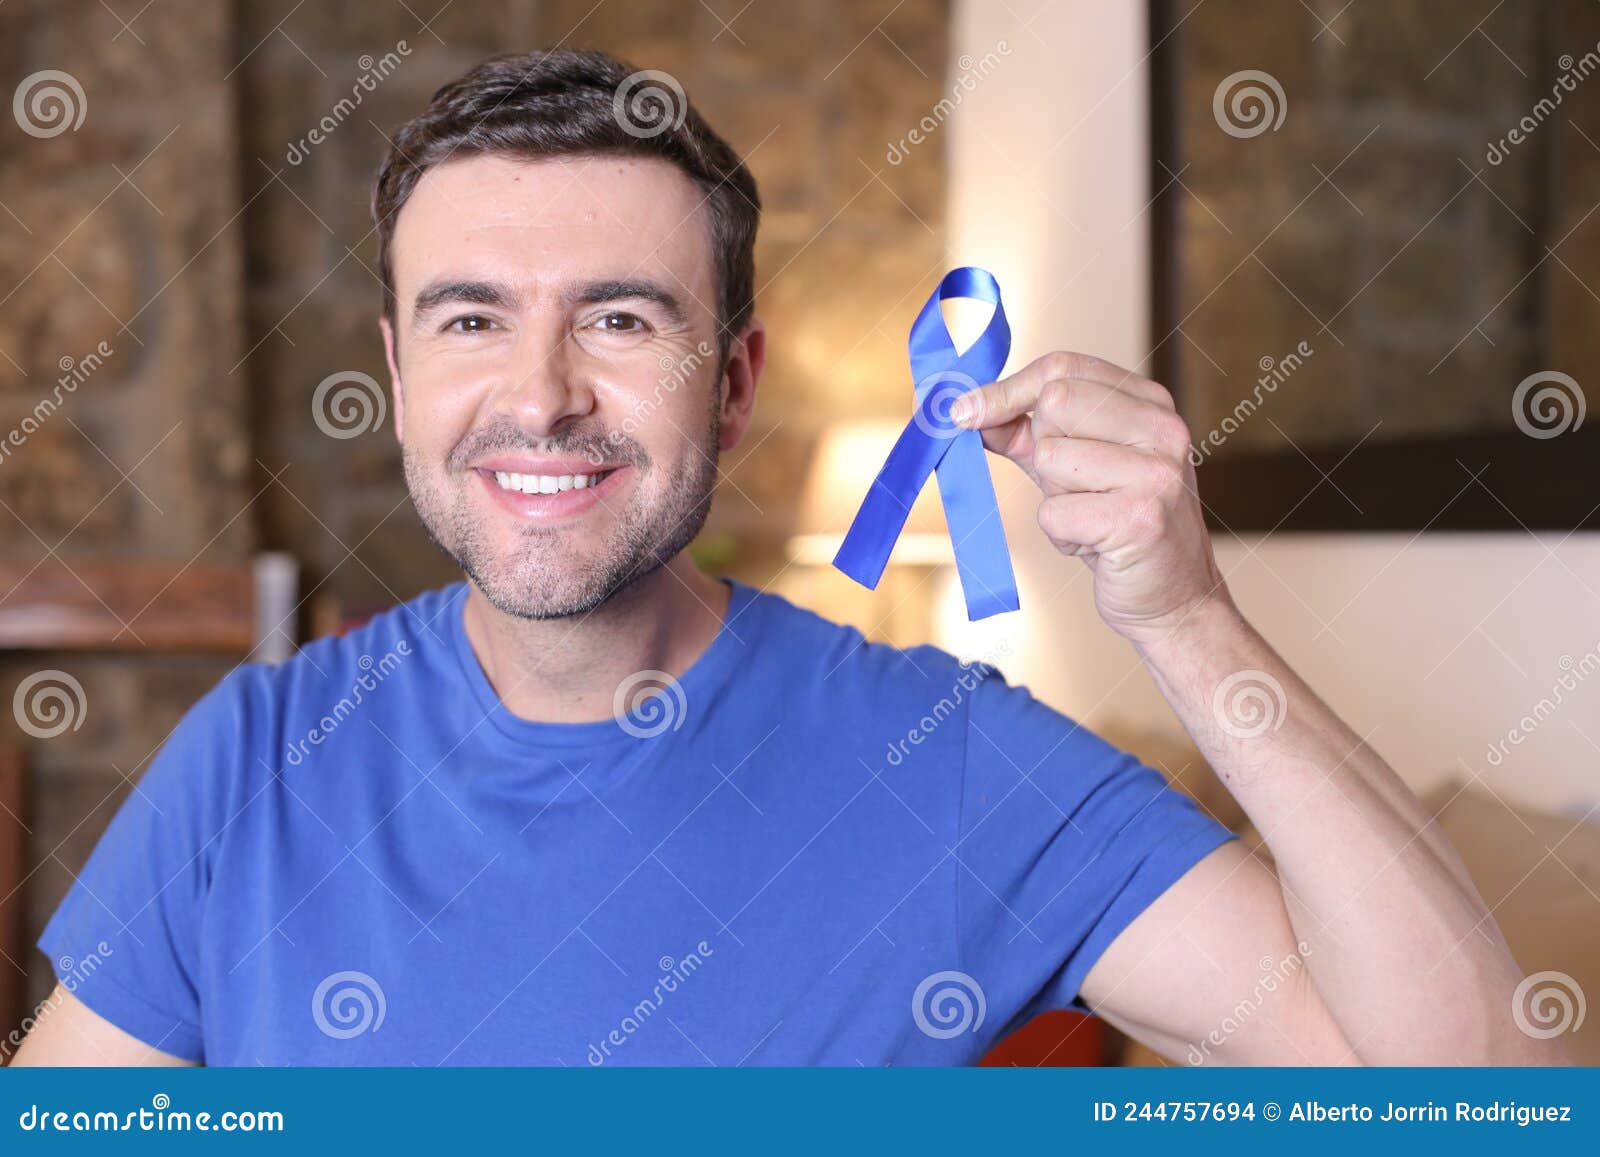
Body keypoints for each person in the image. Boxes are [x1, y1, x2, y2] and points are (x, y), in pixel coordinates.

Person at [13, 48, 1562, 1067]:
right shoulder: (256, 761)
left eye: (621, 318)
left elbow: (1464, 1078)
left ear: (736, 382)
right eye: (472, 317)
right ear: (402, 375)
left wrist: (1189, 618)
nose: (541, 391)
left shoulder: (950, 758)